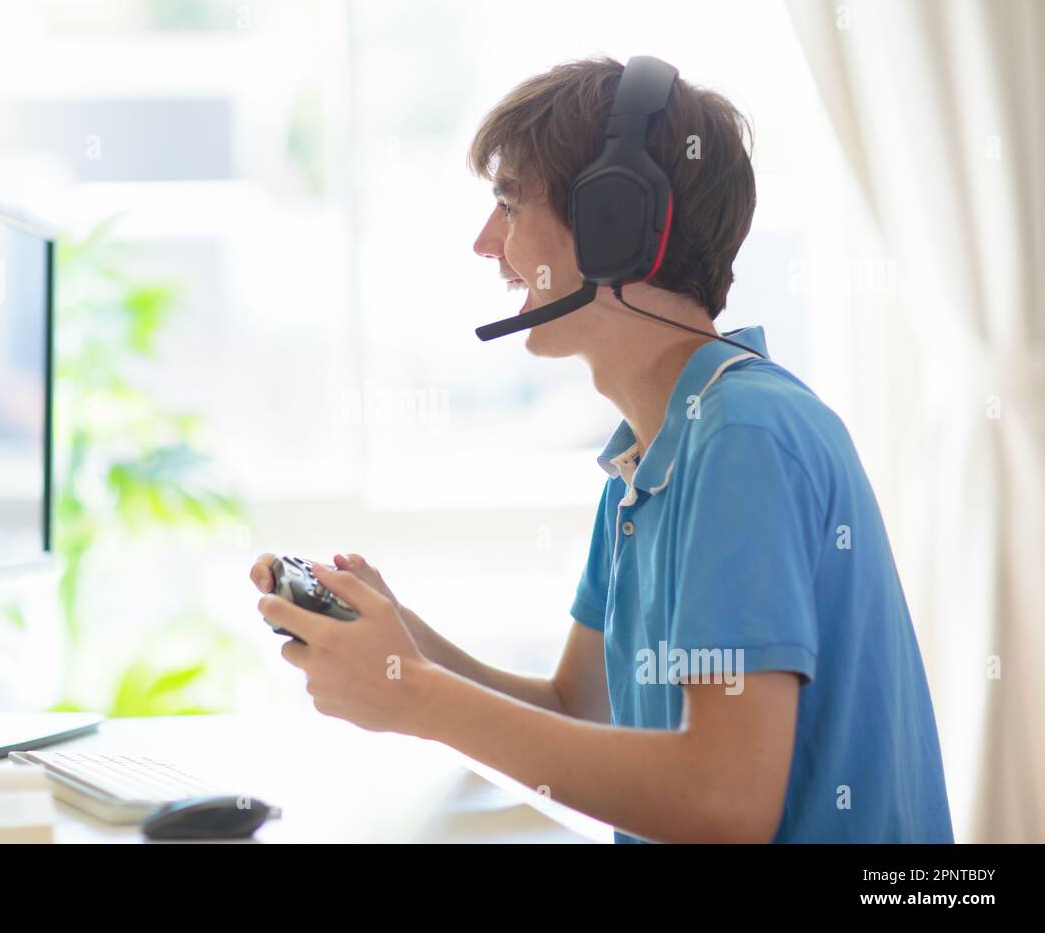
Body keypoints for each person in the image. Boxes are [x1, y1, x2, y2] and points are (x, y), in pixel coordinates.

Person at [251, 56, 953, 843]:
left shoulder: (745, 438)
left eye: (508, 202)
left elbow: (725, 804)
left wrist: (416, 698)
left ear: (614, 224)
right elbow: (577, 711)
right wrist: (406, 646)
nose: (485, 242)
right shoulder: (643, 461)